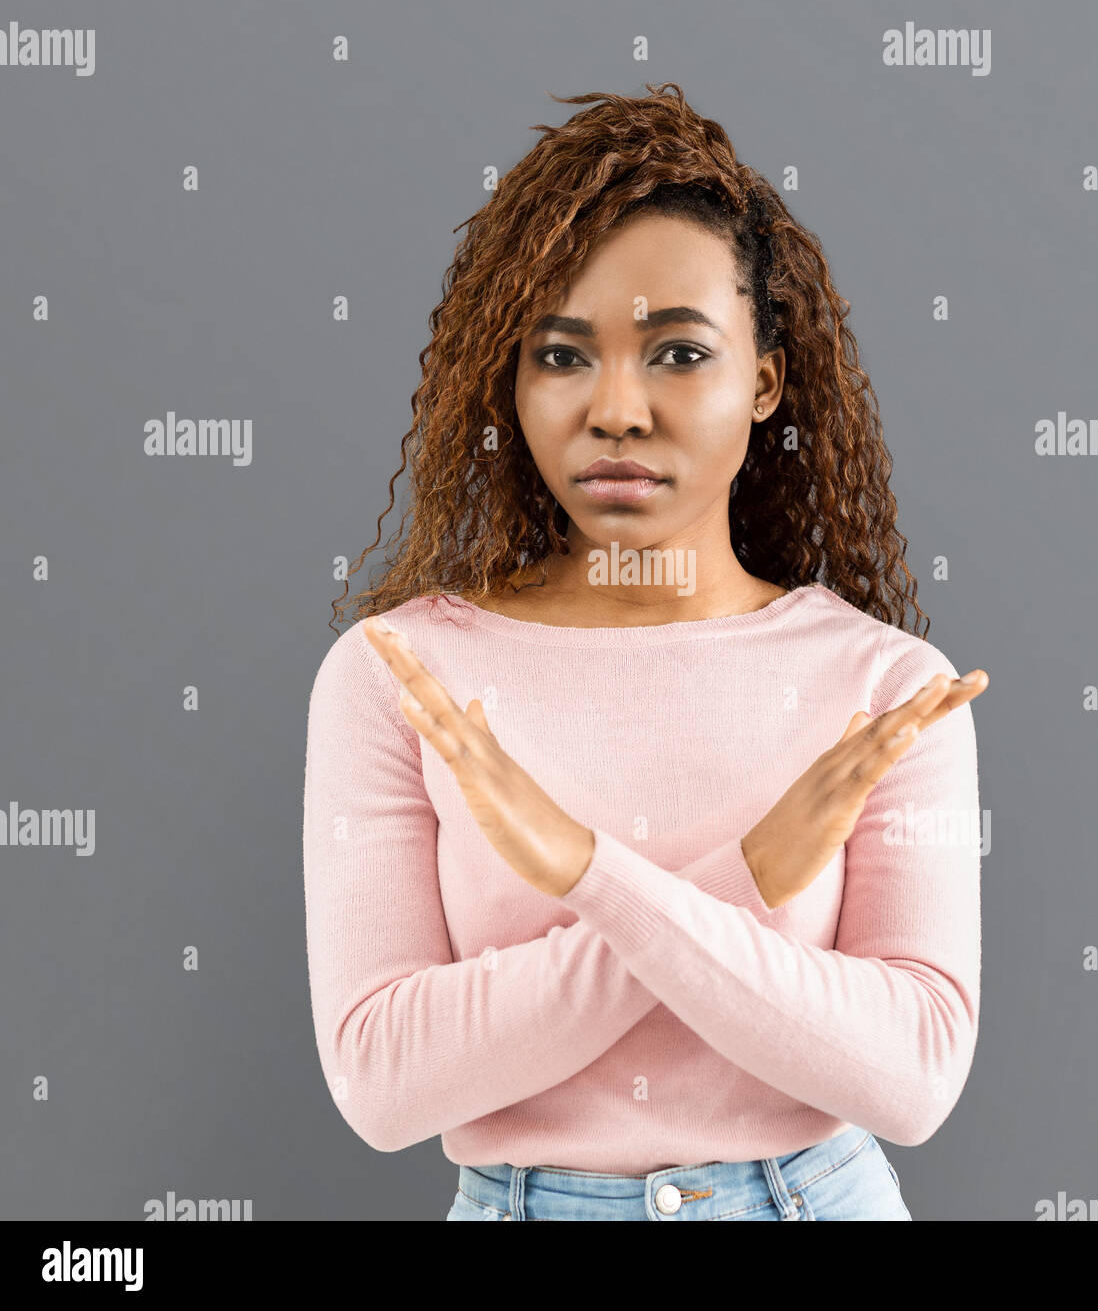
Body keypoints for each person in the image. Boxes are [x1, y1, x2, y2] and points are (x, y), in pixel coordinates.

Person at [302, 82, 988, 1221]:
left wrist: (584, 870)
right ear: (510, 382)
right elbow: (383, 1081)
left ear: (764, 378)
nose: (615, 409)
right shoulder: (399, 679)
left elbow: (909, 1079)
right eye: (562, 356)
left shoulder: (886, 691)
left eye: (676, 353)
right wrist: (748, 878)